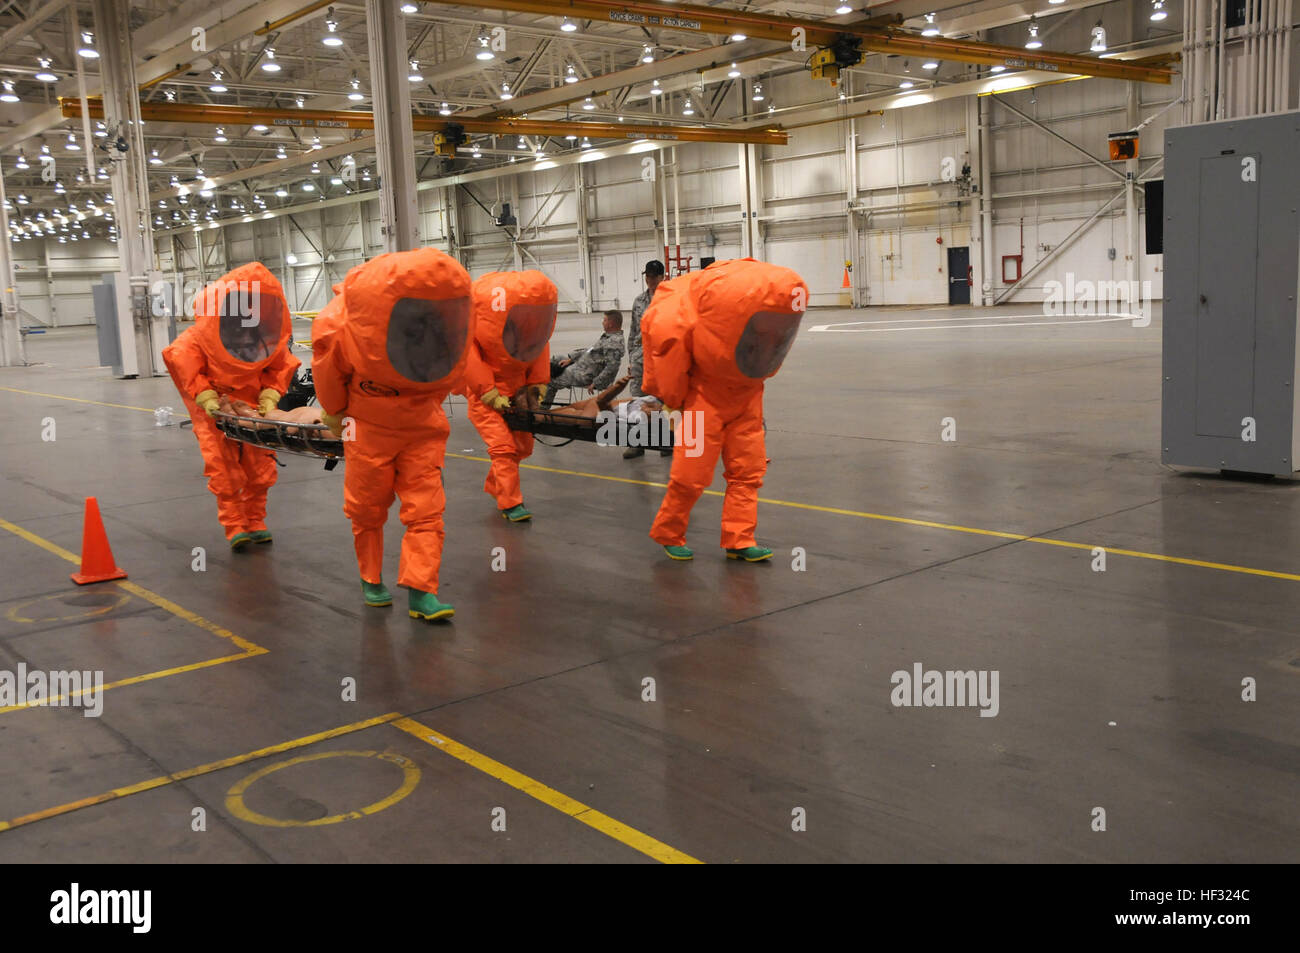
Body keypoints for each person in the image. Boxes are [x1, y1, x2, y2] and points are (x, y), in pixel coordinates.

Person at [311, 247, 474, 621]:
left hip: (422, 427)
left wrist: (335, 410)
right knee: (367, 509)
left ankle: (421, 590)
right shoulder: (345, 321)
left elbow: (455, 362)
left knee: (427, 511)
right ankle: (371, 578)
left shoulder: (433, 322)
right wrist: (336, 411)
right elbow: (329, 369)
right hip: (368, 428)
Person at [641, 257, 807, 562]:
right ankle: (668, 531)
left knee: (748, 471)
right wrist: (673, 404)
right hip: (701, 399)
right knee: (689, 475)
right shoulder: (682, 311)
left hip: (747, 396)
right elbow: (669, 352)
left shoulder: (759, 316)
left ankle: (739, 538)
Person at [162, 262, 299, 552]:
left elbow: (279, 362)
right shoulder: (201, 336)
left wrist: (271, 394)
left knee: (260, 465)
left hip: (252, 409)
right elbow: (183, 359)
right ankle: (235, 526)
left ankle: (255, 521)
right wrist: (206, 396)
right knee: (223, 470)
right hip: (213, 410)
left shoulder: (263, 333)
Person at [463, 270, 558, 522]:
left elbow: (539, 351)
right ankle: (510, 502)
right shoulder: (470, 333)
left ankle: (496, 485)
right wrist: (489, 393)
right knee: (503, 448)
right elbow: (469, 359)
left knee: (523, 447)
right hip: (485, 396)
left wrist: (536, 386)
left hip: (518, 393)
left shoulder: (530, 331)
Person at [542, 310, 625, 407]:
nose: (602, 322)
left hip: (585, 375)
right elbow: (590, 350)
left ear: (611, 324)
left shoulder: (614, 343)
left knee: (548, 378)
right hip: (583, 367)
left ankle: (542, 410)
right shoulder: (608, 337)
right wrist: (571, 359)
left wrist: (596, 382)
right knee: (557, 359)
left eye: (605, 320)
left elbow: (612, 367)